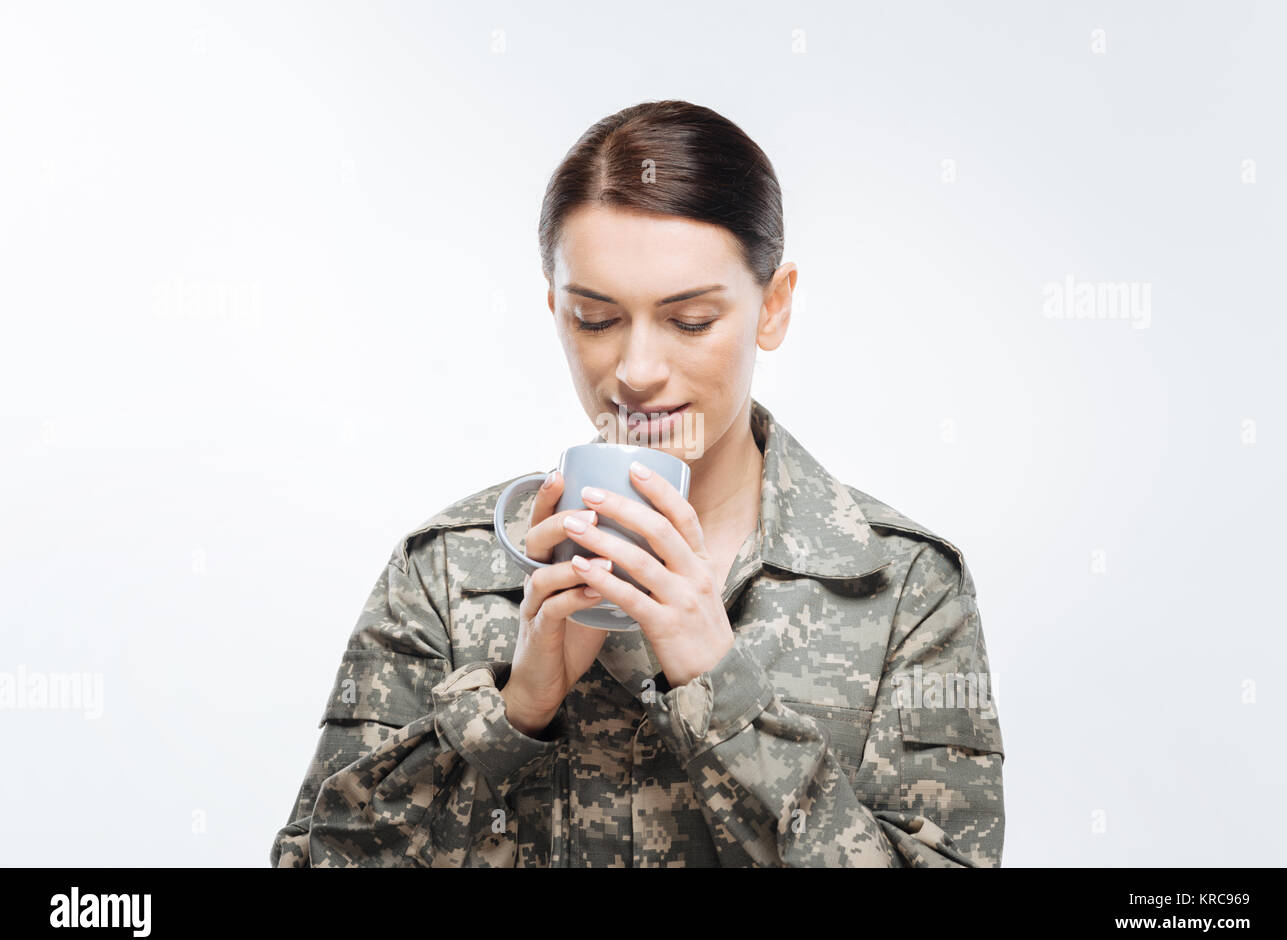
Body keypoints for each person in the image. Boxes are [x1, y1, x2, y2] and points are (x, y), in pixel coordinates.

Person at [270, 99, 1005, 867]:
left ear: (773, 306)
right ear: (556, 308)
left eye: (690, 321)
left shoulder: (905, 588)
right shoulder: (447, 573)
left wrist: (723, 692)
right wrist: (508, 713)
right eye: (595, 319)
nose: (638, 372)